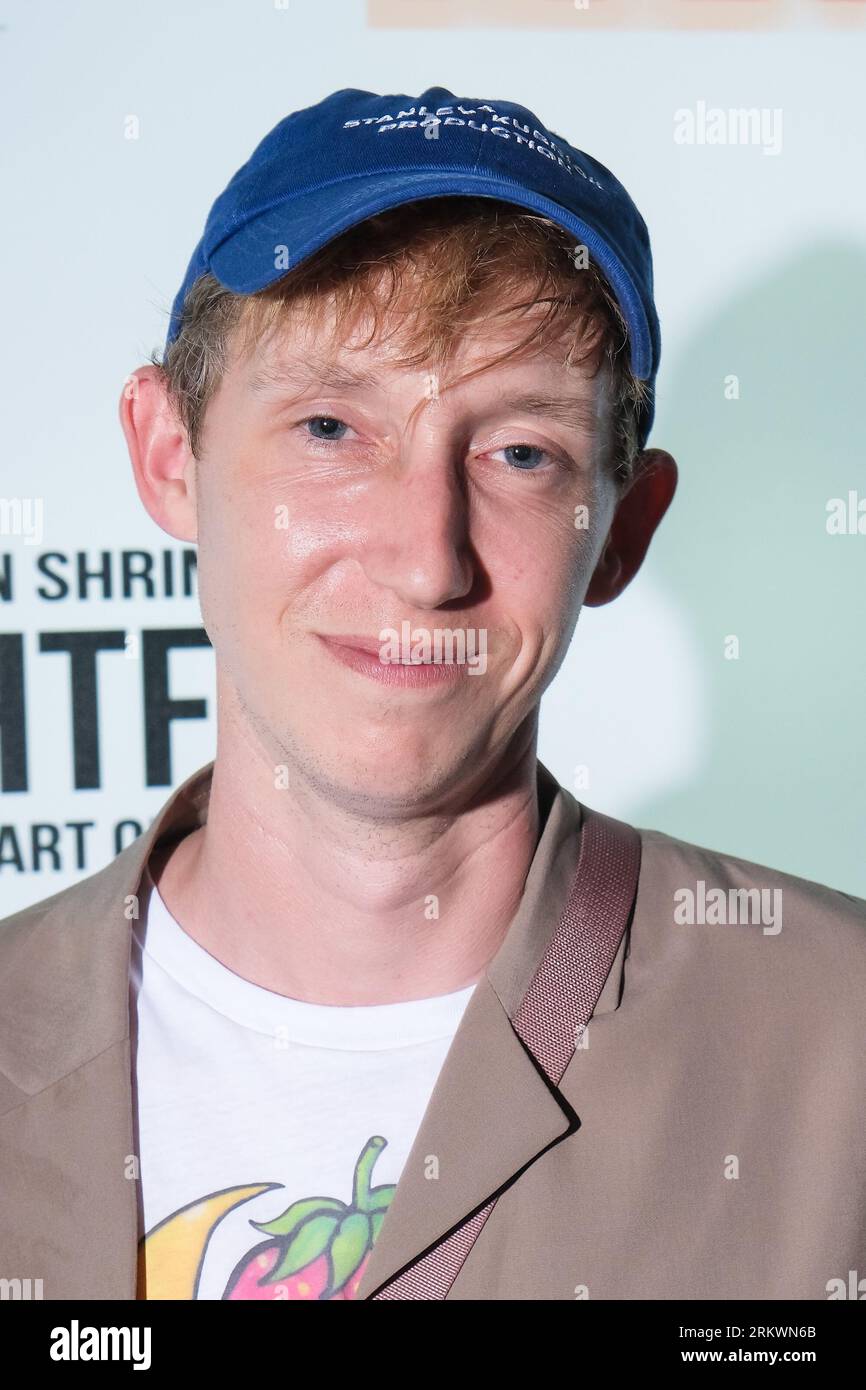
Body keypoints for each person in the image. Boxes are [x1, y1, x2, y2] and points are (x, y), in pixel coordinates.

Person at [1, 86, 863, 1303]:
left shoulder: (838, 1053)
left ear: (623, 529)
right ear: (166, 456)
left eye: (521, 452)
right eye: (328, 427)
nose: (424, 555)